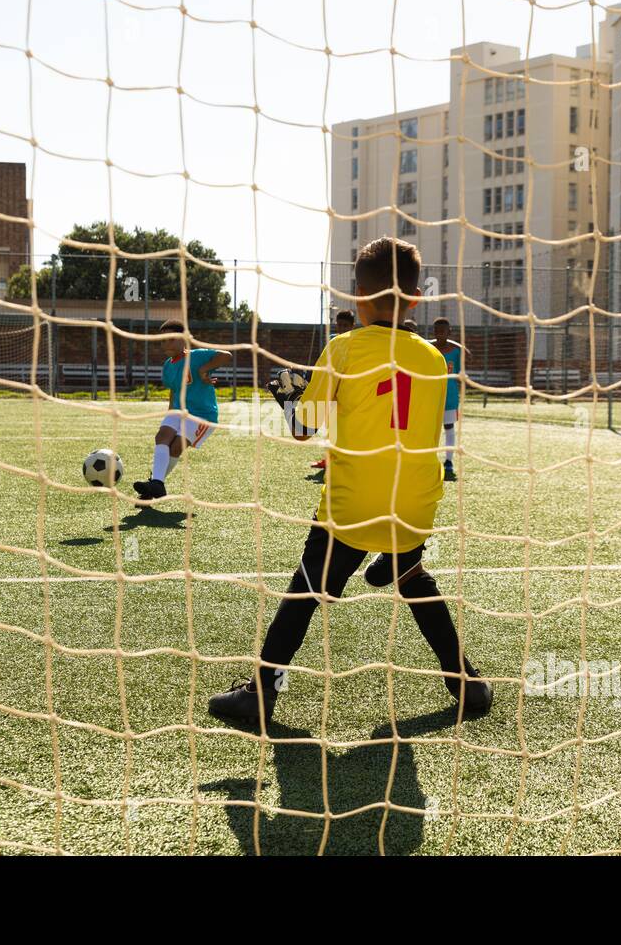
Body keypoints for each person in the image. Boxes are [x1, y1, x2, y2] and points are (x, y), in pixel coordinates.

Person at [208, 236, 492, 724]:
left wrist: (286, 392)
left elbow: (304, 428)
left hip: (354, 502)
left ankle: (260, 693)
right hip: (416, 502)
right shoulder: (433, 359)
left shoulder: (343, 349)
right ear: (417, 299)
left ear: (356, 297)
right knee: (412, 578)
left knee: (306, 588)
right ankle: (466, 684)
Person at [132, 319, 232, 500]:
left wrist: (204, 369)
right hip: (178, 411)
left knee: (176, 447)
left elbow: (226, 355)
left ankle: (154, 483)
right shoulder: (167, 365)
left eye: (171, 339)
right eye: (163, 340)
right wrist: (170, 412)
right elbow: (174, 390)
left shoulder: (197, 356)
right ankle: (156, 485)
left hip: (202, 415)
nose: (166, 343)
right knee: (162, 437)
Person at [310, 308, 358, 472]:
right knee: (331, 427)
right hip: (332, 389)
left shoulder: (356, 341)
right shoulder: (332, 340)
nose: (342, 328)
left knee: (345, 427)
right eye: (340, 325)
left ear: (352, 326)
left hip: (348, 389)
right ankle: (328, 458)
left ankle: (344, 458)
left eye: (345, 325)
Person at [431, 317, 470, 482]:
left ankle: (448, 462)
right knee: (430, 430)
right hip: (431, 397)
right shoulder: (429, 349)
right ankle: (429, 461)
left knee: (449, 428)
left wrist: (458, 344)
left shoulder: (455, 351)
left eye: (443, 331)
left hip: (450, 397)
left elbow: (469, 355)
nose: (440, 334)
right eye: (437, 331)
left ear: (449, 332)